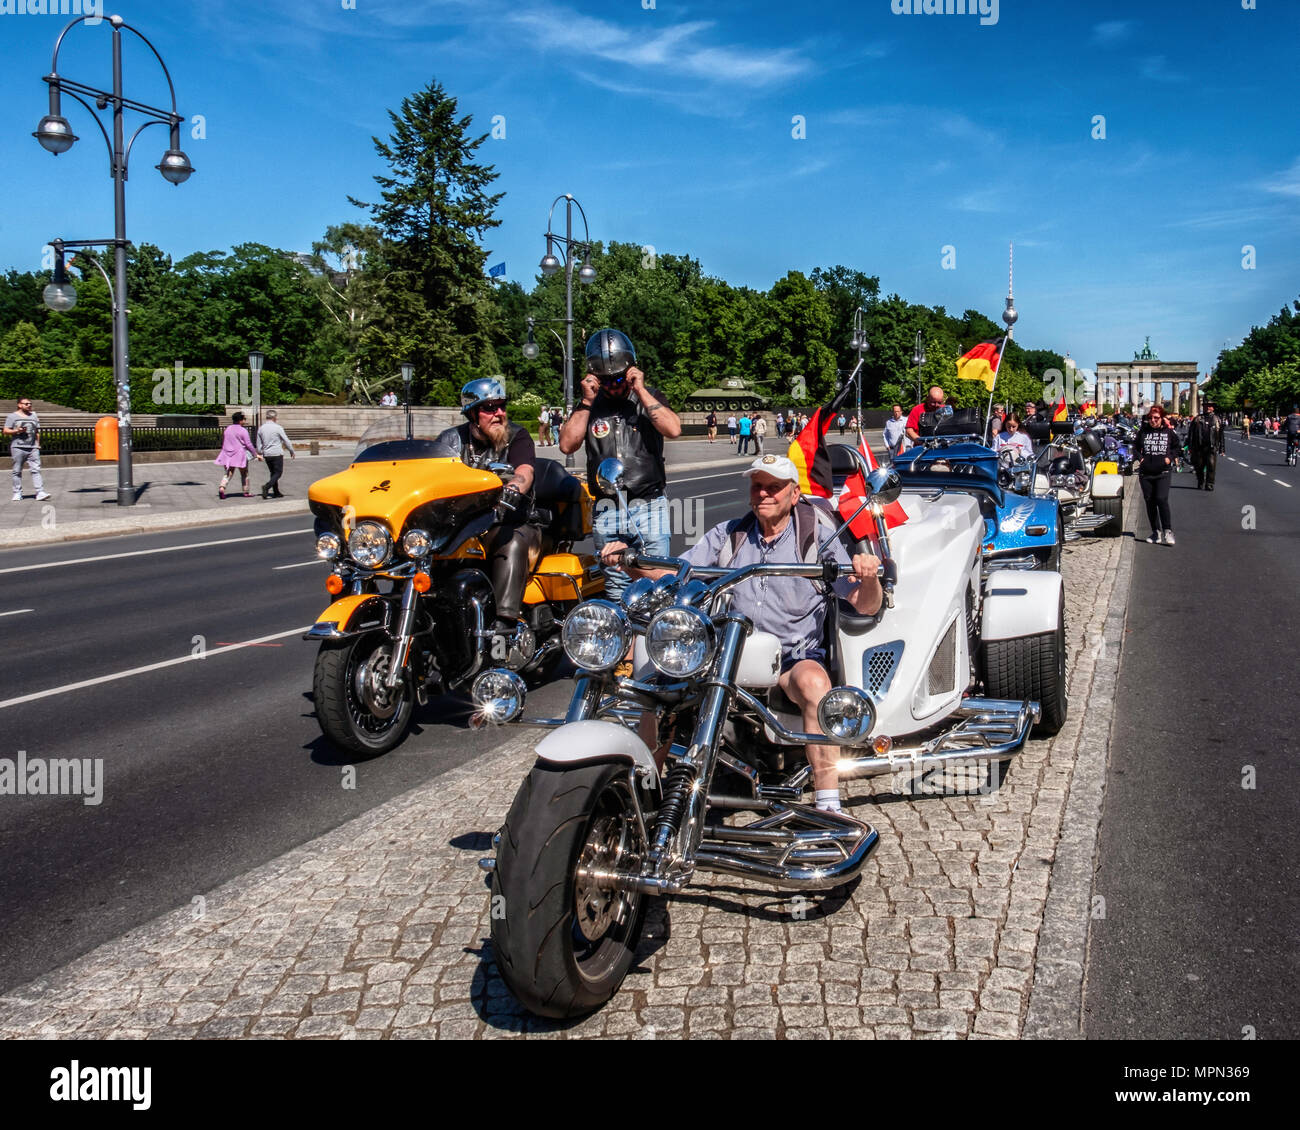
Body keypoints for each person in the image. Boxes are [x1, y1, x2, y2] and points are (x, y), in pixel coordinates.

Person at [599, 454, 882, 813]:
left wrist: (868, 575)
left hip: (790, 659)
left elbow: (865, 603)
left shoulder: (818, 539)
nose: (764, 494)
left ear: (794, 495)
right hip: (729, 655)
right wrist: (630, 559)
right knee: (661, 682)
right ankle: (645, 794)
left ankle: (828, 801)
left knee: (814, 684)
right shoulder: (729, 534)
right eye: (757, 486)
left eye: (774, 487)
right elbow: (675, 575)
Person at [558, 328, 681, 602]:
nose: (613, 385)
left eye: (618, 378)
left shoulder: (648, 397)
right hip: (607, 507)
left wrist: (640, 390)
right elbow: (567, 445)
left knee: (658, 583)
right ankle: (625, 640)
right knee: (616, 586)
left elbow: (673, 429)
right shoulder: (589, 405)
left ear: (631, 369)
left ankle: (655, 640)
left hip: (648, 504)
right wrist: (587, 401)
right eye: (606, 380)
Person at [436, 377, 539, 634]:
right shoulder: (450, 441)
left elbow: (524, 470)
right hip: (462, 528)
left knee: (511, 542)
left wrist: (514, 487)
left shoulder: (518, 436)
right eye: (490, 408)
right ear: (472, 413)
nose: (499, 414)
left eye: (502, 406)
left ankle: (505, 627)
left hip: (512, 521)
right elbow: (431, 475)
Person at [1136, 405, 1178, 545]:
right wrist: (1140, 458)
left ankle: (1168, 530)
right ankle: (1156, 532)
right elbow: (1135, 447)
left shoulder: (1169, 432)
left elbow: (1177, 446)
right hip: (1146, 473)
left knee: (1161, 499)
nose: (1153, 420)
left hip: (1163, 472)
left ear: (1162, 418)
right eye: (1150, 418)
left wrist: (1169, 458)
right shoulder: (1143, 431)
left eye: (1156, 418)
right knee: (1150, 501)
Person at [5, 396, 50, 502]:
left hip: (33, 447)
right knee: (17, 471)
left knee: (36, 470)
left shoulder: (34, 415)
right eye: (26, 404)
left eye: (30, 404)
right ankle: (17, 493)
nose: (29, 405)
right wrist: (17, 431)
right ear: (19, 405)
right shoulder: (12, 416)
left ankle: (40, 492)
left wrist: (38, 444)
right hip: (18, 447)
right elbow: (6, 430)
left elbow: (37, 431)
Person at [215, 411, 261, 499]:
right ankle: (246, 491)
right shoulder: (243, 430)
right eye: (244, 419)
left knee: (229, 472)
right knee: (244, 473)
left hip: (228, 454)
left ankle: (222, 487)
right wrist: (255, 454)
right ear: (240, 420)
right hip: (240, 454)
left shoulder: (228, 429)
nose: (244, 421)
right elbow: (248, 444)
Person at [256, 409, 296, 499]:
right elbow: (286, 440)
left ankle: (276, 491)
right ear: (274, 418)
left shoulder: (261, 428)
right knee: (278, 472)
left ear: (266, 417)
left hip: (267, 454)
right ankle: (267, 486)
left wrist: (259, 453)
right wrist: (291, 451)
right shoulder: (278, 428)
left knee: (273, 472)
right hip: (277, 453)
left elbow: (258, 443)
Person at [1186, 401, 1223, 490]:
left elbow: (1221, 435)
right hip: (1198, 446)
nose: (1208, 408)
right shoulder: (1197, 419)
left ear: (1213, 408)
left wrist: (1222, 448)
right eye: (1206, 406)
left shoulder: (1217, 419)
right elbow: (1190, 434)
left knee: (1211, 466)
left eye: (1210, 406)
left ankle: (1209, 484)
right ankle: (1200, 481)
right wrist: (1189, 446)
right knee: (1199, 466)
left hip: (1211, 446)